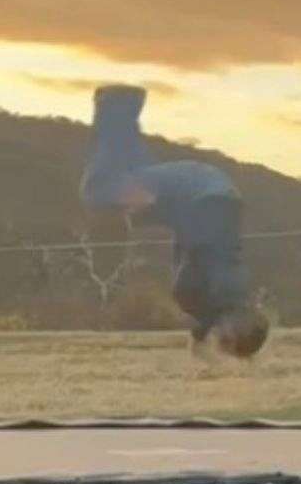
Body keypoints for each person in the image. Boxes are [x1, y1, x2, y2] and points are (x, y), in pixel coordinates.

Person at [80, 84, 268, 359]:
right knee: (100, 187)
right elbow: (220, 269)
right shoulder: (225, 291)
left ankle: (122, 105)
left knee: (107, 183)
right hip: (205, 197)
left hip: (205, 198)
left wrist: (203, 335)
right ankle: (118, 104)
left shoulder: (219, 295)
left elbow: (212, 275)